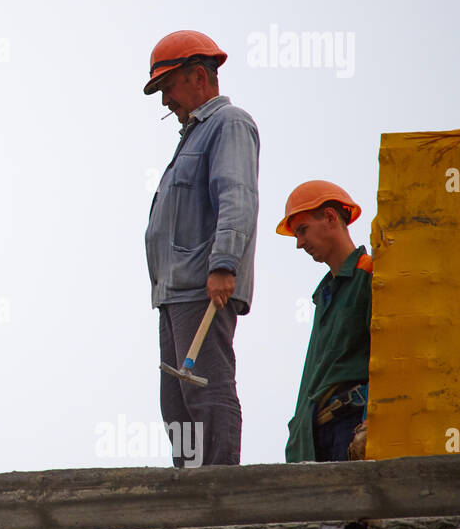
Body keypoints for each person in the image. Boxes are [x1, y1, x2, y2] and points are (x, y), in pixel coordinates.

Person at [144, 30, 260, 467]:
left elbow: (237, 197)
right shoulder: (193, 135)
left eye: (167, 88)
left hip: (202, 286)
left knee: (207, 395)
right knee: (178, 406)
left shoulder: (228, 125)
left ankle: (218, 494)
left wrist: (224, 265)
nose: (164, 101)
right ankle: (191, 492)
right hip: (176, 293)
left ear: (198, 76)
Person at [279, 181, 372, 462]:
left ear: (331, 217)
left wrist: (370, 423)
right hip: (317, 434)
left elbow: (388, 358)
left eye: (303, 230)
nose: (299, 243)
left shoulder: (369, 276)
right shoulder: (324, 296)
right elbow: (312, 379)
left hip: (351, 423)